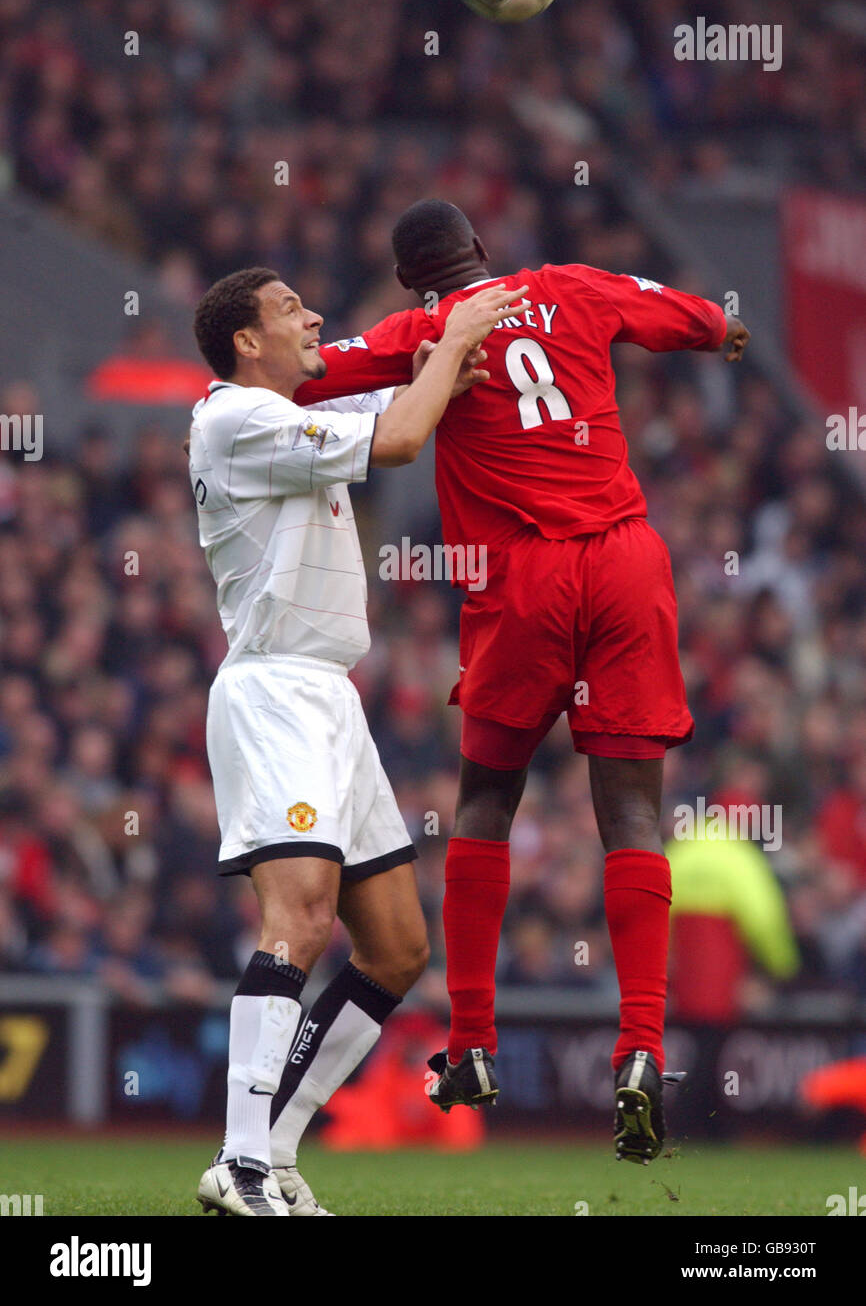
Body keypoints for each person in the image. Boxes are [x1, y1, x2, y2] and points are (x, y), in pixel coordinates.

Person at [295, 198, 751, 1164]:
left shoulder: (421, 330)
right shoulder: (569, 288)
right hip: (628, 561)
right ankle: (639, 1049)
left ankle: (470, 1044)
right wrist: (724, 331)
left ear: (416, 278)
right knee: (631, 811)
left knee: (486, 802)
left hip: (524, 576)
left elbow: (313, 373)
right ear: (483, 252)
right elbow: (686, 314)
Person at [188, 264, 528, 1215]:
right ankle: (240, 1159)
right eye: (291, 308)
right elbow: (404, 436)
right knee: (298, 921)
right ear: (246, 341)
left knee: (394, 950)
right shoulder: (231, 418)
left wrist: (437, 367)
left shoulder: (282, 417)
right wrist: (457, 335)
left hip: (331, 701)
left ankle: (279, 1152)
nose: (314, 316)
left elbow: (403, 405)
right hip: (274, 693)